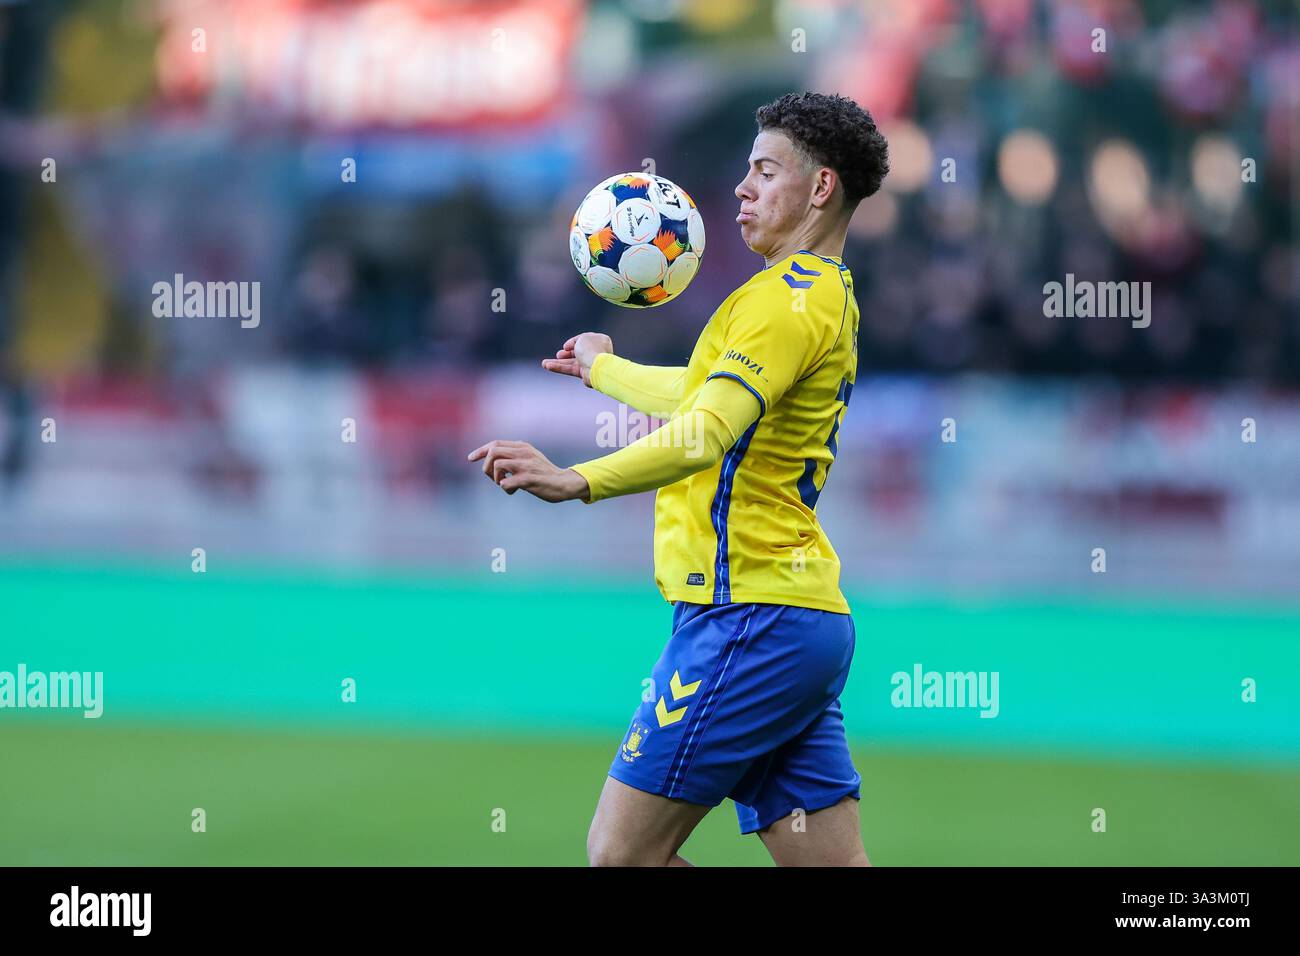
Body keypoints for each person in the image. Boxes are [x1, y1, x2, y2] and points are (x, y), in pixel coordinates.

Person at [468, 92, 889, 866]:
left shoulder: (781, 302)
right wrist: (605, 370)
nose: (741, 188)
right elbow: (709, 398)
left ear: (821, 188)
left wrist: (576, 481)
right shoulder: (823, 296)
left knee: (620, 856)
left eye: (764, 171)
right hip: (799, 616)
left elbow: (704, 433)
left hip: (746, 614)